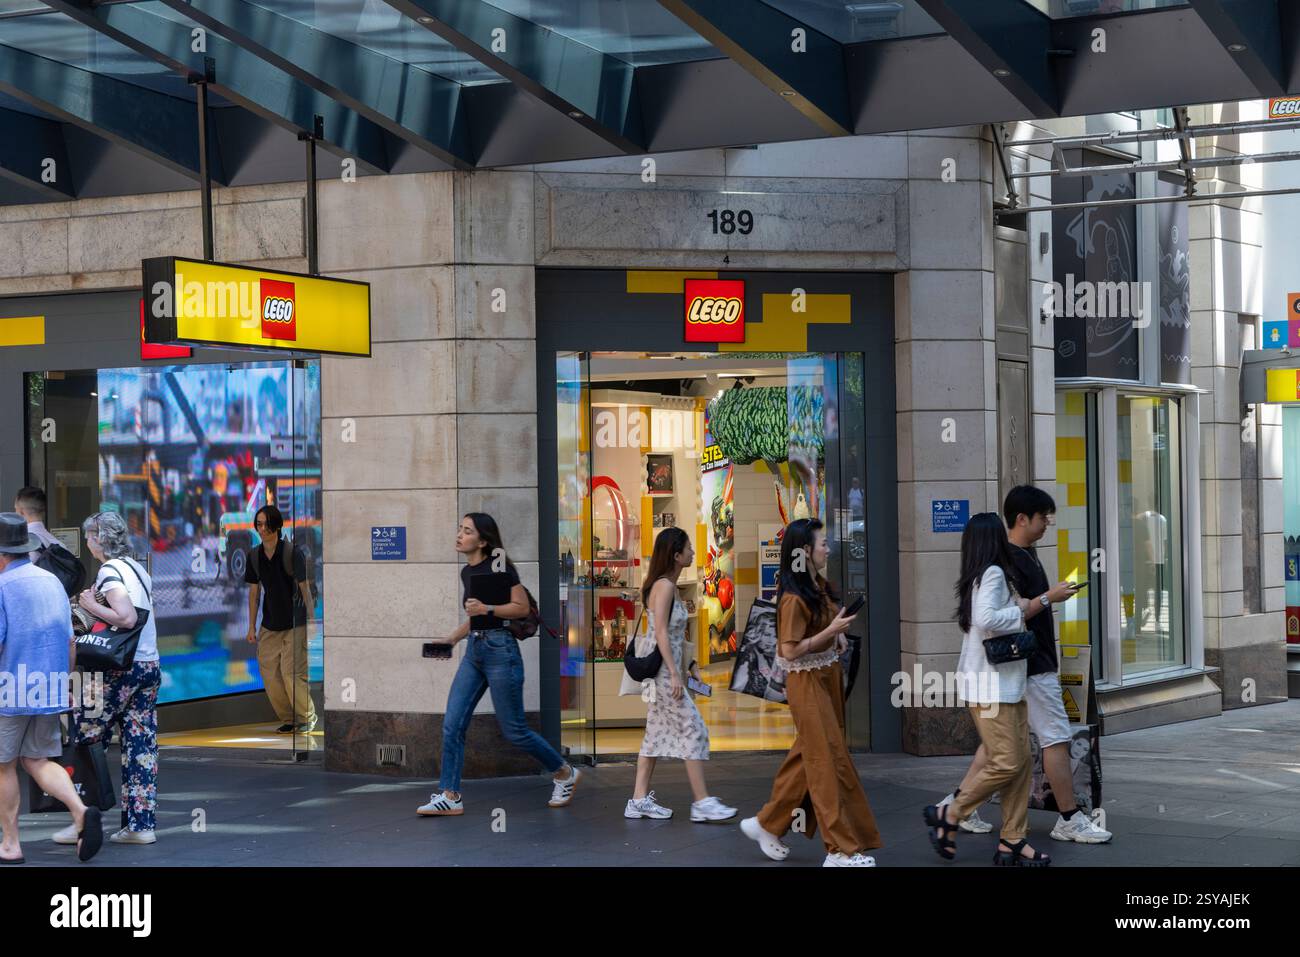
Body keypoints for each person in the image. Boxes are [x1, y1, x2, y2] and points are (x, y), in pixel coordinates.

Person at [937, 488, 1111, 844]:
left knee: (998, 748)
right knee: (1055, 737)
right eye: (1043, 517)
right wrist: (1048, 598)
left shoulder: (1018, 556)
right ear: (1022, 518)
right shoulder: (1005, 564)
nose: (1047, 523)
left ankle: (959, 809)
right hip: (1027, 664)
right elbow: (991, 618)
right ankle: (1068, 817)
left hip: (1023, 665)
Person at [923, 512, 1063, 867]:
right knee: (1007, 762)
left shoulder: (979, 574)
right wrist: (1020, 612)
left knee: (1020, 765)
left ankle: (1012, 840)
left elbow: (986, 616)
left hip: (1004, 683)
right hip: (991, 687)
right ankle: (951, 813)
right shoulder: (994, 573)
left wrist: (1015, 606)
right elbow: (988, 620)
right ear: (993, 539)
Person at [418, 513, 580, 815]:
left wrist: (488, 608)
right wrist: (452, 639)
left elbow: (520, 608)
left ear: (482, 540)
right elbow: (475, 615)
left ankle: (564, 772)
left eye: (467, 531)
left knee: (515, 729)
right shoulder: (468, 572)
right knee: (452, 724)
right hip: (475, 650)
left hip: (500, 650)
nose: (459, 535)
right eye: (460, 529)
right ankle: (450, 795)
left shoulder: (501, 566)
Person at [741, 518, 881, 867]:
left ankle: (767, 824)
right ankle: (839, 849)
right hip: (807, 683)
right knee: (826, 762)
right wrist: (830, 631)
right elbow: (789, 650)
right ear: (804, 551)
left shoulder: (815, 585)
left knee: (808, 758)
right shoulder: (793, 597)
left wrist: (836, 633)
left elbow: (820, 630)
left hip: (825, 677)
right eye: (822, 543)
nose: (828, 548)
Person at [0, 513, 102, 864]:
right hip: (49, 687)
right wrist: (65, 683)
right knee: (37, 759)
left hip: (9, 690)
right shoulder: (52, 582)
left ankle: (11, 845)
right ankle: (79, 811)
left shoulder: (1, 587)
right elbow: (70, 640)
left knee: (4, 766)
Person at [58, 510, 160, 846]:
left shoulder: (110, 571)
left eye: (89, 536)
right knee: (140, 745)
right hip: (147, 664)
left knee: (86, 735)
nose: (87, 542)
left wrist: (90, 603)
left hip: (116, 670)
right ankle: (140, 826)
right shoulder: (138, 568)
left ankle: (82, 818)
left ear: (100, 538)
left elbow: (126, 617)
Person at [624, 527, 736, 824]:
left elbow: (671, 635)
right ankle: (701, 802)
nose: (693, 553)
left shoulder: (664, 585)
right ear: (675, 555)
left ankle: (637, 801)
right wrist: (675, 674)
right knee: (693, 728)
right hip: (663, 675)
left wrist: (690, 665)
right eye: (688, 548)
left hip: (665, 671)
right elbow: (660, 631)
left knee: (654, 735)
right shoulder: (665, 587)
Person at [243, 505, 318, 734]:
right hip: (270, 624)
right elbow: (254, 593)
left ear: (276, 525)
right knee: (269, 673)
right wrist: (251, 627)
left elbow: (305, 590)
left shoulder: (291, 553)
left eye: (266, 524)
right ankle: (289, 718)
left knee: (291, 673)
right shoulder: (254, 556)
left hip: (294, 623)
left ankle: (307, 717)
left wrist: (312, 621)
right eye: (259, 524)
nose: (262, 528)